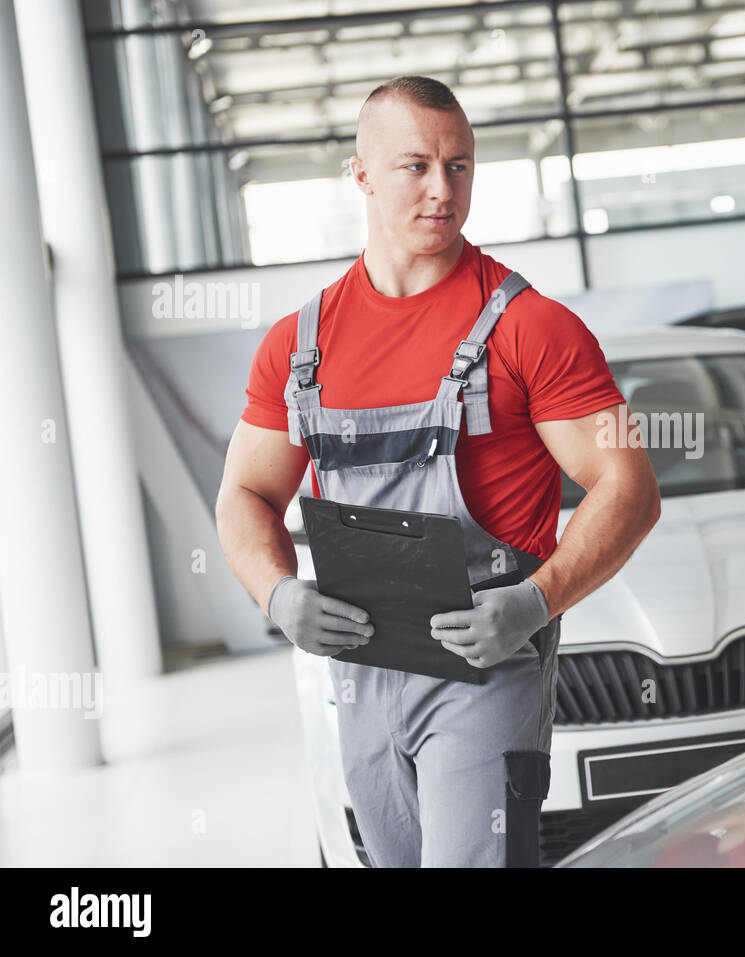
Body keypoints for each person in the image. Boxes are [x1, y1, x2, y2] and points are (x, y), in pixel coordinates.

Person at [215, 75, 660, 868]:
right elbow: (244, 493)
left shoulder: (535, 326)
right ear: (361, 174)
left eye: (459, 167)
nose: (441, 190)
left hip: (485, 669)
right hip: (361, 678)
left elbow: (630, 485)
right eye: (415, 166)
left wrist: (535, 600)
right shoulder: (297, 345)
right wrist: (277, 592)